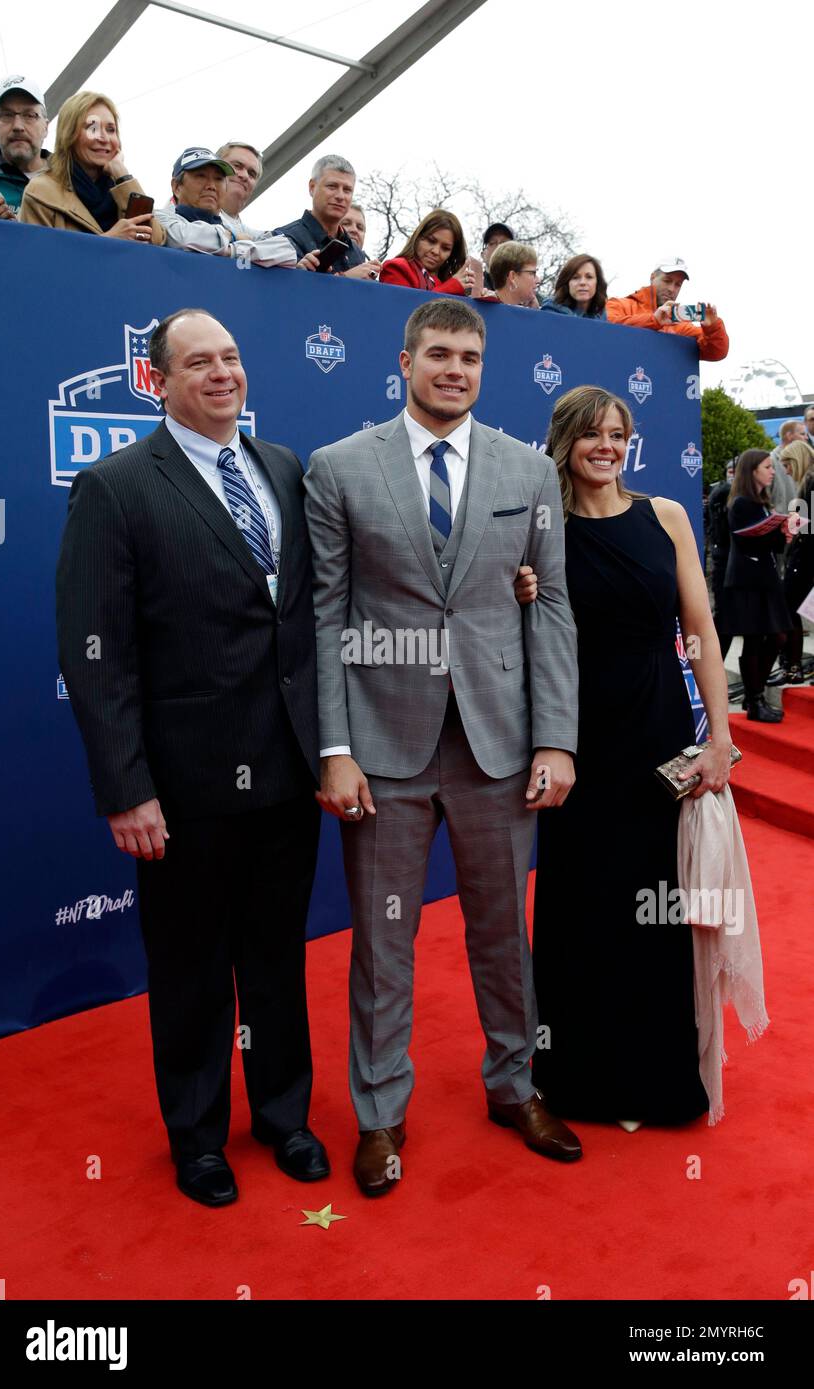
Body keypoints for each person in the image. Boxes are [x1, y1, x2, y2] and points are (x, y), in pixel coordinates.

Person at [304, 297, 582, 1197]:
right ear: (405, 361)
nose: (454, 369)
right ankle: (380, 1114)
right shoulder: (341, 468)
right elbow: (327, 615)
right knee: (385, 946)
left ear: (482, 366)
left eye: (469, 356)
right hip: (383, 747)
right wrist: (335, 747)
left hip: (498, 744)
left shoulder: (528, 469)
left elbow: (552, 610)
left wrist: (558, 740)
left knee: (504, 935)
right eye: (438, 355)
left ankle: (514, 1085)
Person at [56, 308, 329, 1207]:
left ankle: (286, 1116)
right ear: (158, 381)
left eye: (233, 358)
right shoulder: (116, 485)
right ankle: (198, 1137)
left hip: (287, 772)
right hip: (185, 785)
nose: (223, 374)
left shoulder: (281, 467)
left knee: (278, 957)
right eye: (199, 362)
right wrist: (127, 789)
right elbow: (96, 653)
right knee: (191, 967)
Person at [519, 385, 734, 1130]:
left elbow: (699, 628)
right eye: (591, 434)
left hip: (658, 734)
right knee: (582, 904)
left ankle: (657, 1077)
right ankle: (573, 1077)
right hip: (575, 736)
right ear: (566, 441)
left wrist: (720, 735)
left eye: (617, 433)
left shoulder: (665, 516)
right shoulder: (540, 525)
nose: (606, 446)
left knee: (656, 908)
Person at [18, 90, 164, 244]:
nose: (104, 138)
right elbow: (39, 261)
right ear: (69, 135)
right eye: (92, 128)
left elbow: (156, 241)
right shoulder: (41, 192)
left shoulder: (122, 189)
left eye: (110, 129)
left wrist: (123, 177)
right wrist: (108, 242)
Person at [724, 450, 794, 721]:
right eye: (767, 466)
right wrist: (776, 530)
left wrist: (785, 531)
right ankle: (754, 700)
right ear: (752, 470)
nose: (772, 471)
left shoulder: (762, 502)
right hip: (748, 581)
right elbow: (745, 542)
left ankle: (756, 695)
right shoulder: (741, 503)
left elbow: (773, 546)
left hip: (765, 578)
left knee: (778, 636)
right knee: (754, 639)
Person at [157, 146, 296, 266]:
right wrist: (234, 239)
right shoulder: (157, 217)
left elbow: (286, 250)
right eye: (200, 176)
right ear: (176, 187)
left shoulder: (234, 228)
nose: (211, 186)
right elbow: (184, 239)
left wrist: (232, 250)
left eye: (218, 179)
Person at [274, 154, 380, 278]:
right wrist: (345, 279)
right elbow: (283, 293)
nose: (340, 196)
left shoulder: (356, 251)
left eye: (347, 190)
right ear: (312, 187)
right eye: (332, 186)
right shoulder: (284, 240)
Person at [605, 257, 729, 361]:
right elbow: (604, 330)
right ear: (653, 277)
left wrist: (712, 328)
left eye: (678, 284)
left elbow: (716, 353)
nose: (671, 289)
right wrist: (654, 320)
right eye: (667, 280)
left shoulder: (680, 324)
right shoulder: (618, 304)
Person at [0, 74, 49, 218]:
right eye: (6, 115)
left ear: (46, 127)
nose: (18, 126)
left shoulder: (72, 179)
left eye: (29, 115)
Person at [379, 209, 474, 294]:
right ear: (417, 237)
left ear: (452, 254)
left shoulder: (452, 281)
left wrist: (481, 301)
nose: (436, 251)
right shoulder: (397, 268)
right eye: (431, 241)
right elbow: (402, 309)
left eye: (445, 248)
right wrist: (452, 287)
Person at [781, 441, 814, 684]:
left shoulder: (810, 481)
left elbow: (807, 524)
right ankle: (792, 665)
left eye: (787, 465)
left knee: (788, 608)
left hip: (805, 558)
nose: (785, 471)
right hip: (804, 556)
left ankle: (793, 666)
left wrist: (793, 522)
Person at [706, 461, 736, 659]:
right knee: (725, 620)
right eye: (729, 471)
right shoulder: (721, 494)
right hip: (724, 564)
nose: (732, 475)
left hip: (744, 569)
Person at [541, 253, 608, 319]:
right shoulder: (551, 309)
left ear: (598, 282)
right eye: (575, 277)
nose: (582, 282)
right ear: (567, 283)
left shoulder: (601, 314)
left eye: (589, 277)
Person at [216, 140, 262, 232]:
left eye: (251, 174)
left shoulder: (257, 240)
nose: (245, 175)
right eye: (237, 166)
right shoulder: (182, 217)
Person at [480, 241, 540, 306]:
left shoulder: (533, 309)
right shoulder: (481, 309)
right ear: (513, 277)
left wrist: (535, 313)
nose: (538, 280)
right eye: (532, 273)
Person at [481, 221, 514, 290]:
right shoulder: (470, 287)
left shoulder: (527, 291)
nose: (499, 247)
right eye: (492, 243)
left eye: (504, 243)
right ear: (483, 255)